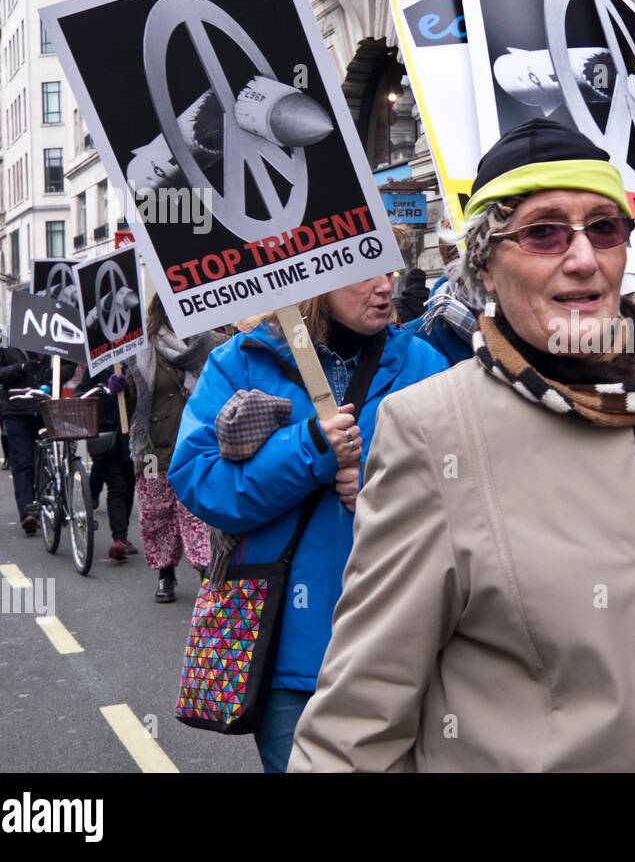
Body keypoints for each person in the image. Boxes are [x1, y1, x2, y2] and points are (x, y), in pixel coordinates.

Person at [289, 118, 635, 772]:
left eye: (604, 228)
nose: (582, 258)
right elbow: (357, 723)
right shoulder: (431, 430)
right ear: (485, 266)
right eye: (543, 232)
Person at [169, 271, 447, 772]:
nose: (385, 286)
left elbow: (465, 485)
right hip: (289, 656)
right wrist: (310, 449)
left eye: (388, 268)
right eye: (365, 273)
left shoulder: (424, 364)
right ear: (314, 279)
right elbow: (200, 481)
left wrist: (373, 484)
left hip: (403, 642)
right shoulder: (240, 364)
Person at [129, 296, 221, 601]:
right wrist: (120, 383)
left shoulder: (207, 343)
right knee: (156, 511)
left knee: (196, 511)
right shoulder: (143, 347)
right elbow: (135, 395)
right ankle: (164, 572)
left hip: (195, 443)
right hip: (154, 447)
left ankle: (205, 572)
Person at [0, 343, 76, 534]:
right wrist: (19, 368)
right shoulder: (2, 336)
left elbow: (70, 363)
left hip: (46, 405)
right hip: (16, 408)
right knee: (22, 462)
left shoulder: (51, 329)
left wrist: (54, 376)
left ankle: (51, 501)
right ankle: (29, 512)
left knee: (46, 460)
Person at [77, 364, 137, 564]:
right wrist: (105, 393)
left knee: (129, 485)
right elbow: (81, 394)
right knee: (117, 485)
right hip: (108, 436)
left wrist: (128, 391)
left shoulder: (139, 361)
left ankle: (123, 535)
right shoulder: (98, 364)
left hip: (135, 435)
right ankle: (119, 539)